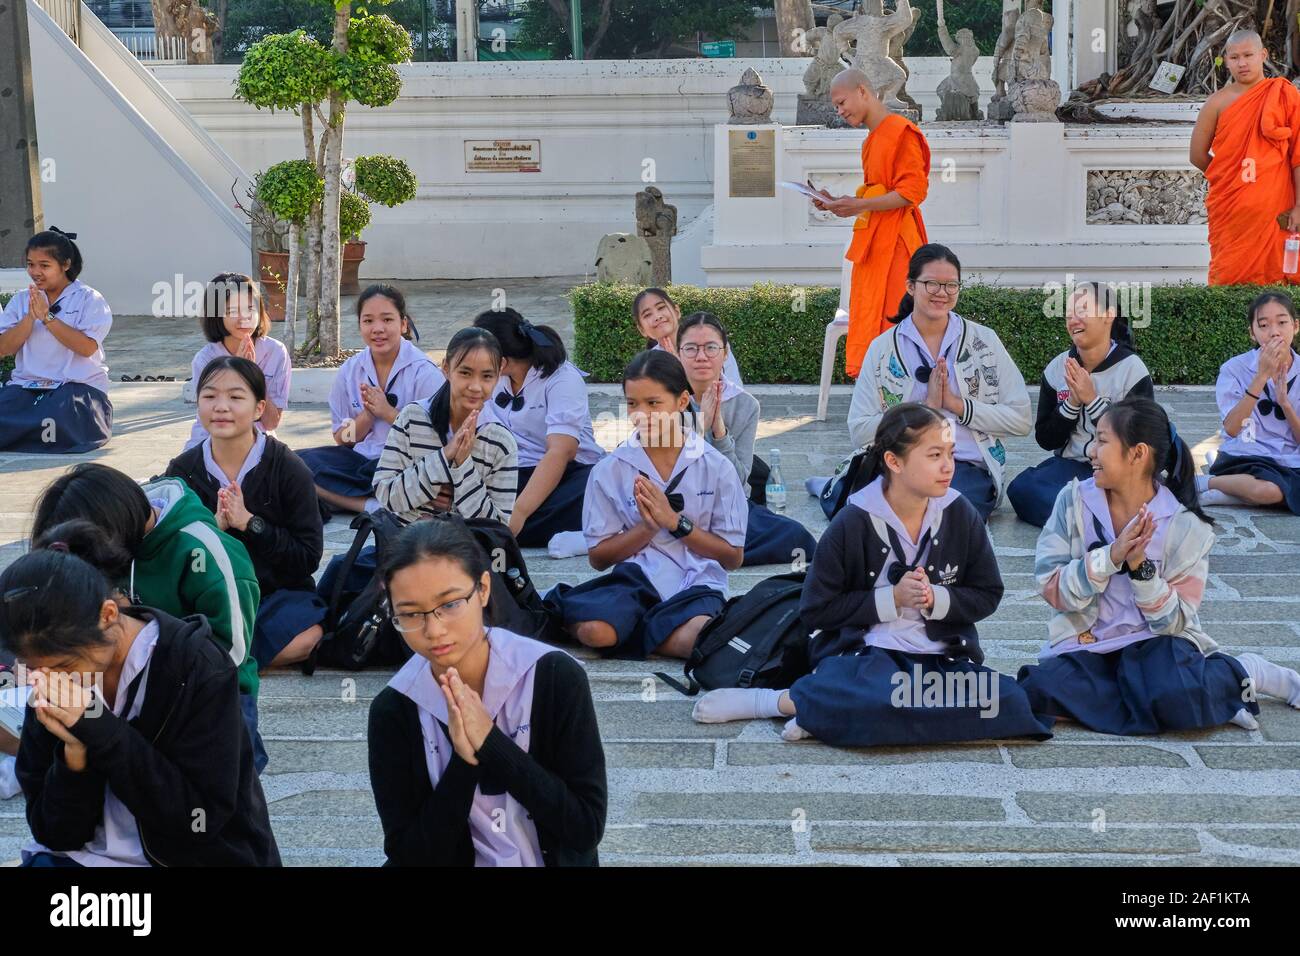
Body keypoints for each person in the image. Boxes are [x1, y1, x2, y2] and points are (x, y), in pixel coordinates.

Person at [693, 402, 1051, 745]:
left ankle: (823, 711)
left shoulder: (960, 513)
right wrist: (890, 600)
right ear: (894, 461)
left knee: (1007, 701)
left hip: (941, 659)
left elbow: (987, 593)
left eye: (950, 454)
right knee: (876, 694)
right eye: (934, 455)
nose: (948, 467)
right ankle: (774, 703)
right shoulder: (854, 520)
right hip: (867, 657)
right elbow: (816, 609)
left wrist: (936, 599)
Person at [1019, 397, 1300, 734]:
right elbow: (1052, 588)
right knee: (1036, 693)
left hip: (1157, 647)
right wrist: (1109, 558)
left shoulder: (1186, 527)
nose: (1091, 451)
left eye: (1102, 441)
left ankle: (1245, 673)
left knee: (1167, 691)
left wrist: (1141, 569)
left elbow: (1175, 621)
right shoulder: (1072, 500)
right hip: (1088, 647)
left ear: (1138, 454)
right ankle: (1208, 696)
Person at [2, 548, 280, 866]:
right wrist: (74, 758)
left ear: (107, 616)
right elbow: (55, 835)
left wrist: (100, 729)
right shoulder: (50, 679)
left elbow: (198, 820)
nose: (57, 681)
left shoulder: (195, 668)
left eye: (67, 664)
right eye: (38, 670)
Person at [367, 518, 606, 866]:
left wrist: (491, 743)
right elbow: (409, 854)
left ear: (482, 589)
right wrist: (464, 764)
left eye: (449, 604)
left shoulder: (553, 676)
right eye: (411, 614)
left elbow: (584, 827)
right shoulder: (395, 708)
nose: (433, 630)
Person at [30, 464, 266, 773]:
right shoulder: (110, 537)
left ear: (108, 535)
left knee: (205, 775)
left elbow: (229, 652)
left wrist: (141, 633)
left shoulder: (203, 551)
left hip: (213, 689)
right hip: (122, 679)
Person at [546, 351, 747, 660]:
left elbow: (732, 557)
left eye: (654, 404)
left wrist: (675, 523)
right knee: (596, 633)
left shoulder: (715, 466)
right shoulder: (611, 469)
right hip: (636, 580)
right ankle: (620, 624)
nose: (642, 415)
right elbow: (599, 559)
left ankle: (630, 630)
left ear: (681, 402)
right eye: (632, 404)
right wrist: (647, 528)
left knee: (699, 637)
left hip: (697, 582)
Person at [845, 243, 1031, 520]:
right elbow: (859, 430)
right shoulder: (883, 348)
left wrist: (957, 405)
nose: (941, 293)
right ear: (910, 286)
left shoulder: (984, 342)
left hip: (962, 466)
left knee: (942, 513)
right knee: (863, 511)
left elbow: (1021, 419)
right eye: (931, 284)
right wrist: (924, 409)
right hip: (900, 464)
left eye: (950, 285)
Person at [166, 357, 326, 668]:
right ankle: (227, 658)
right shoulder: (182, 472)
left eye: (236, 397)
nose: (221, 407)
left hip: (274, 595)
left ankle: (216, 663)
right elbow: (168, 555)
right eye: (209, 396)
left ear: (258, 409)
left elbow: (307, 556)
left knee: (309, 635)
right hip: (210, 596)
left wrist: (251, 523)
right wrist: (212, 529)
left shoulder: (288, 469)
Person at [1007, 282, 1153, 527]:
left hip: (1118, 470)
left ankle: (1085, 518)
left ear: (1109, 315)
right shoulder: (1057, 368)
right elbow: (1046, 439)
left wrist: (1092, 400)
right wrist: (1072, 403)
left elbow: (1138, 439)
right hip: (1070, 468)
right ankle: (1096, 519)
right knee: (1021, 490)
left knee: (1125, 494)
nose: (1073, 319)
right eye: (1069, 314)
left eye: (1083, 310)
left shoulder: (1131, 369)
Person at [677, 312, 817, 567]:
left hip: (727, 506)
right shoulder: (665, 399)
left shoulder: (745, 405)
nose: (701, 356)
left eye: (710, 347)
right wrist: (699, 429)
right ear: (678, 354)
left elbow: (739, 480)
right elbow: (668, 472)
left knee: (798, 538)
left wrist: (718, 428)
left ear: (725, 352)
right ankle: (706, 548)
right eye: (691, 348)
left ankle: (706, 549)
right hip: (679, 504)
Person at [816, 68, 929, 376]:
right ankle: (881, 396)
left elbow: (912, 192)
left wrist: (860, 204)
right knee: (877, 324)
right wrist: (836, 202)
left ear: (863, 91)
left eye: (842, 103)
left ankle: (907, 401)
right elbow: (878, 195)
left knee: (898, 324)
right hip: (877, 245)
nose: (840, 111)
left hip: (899, 247)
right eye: (836, 107)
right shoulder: (871, 141)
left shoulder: (900, 131)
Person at [298, 285, 445, 515]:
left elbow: (438, 439)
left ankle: (358, 498)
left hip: (404, 466)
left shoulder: (424, 373)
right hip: (362, 462)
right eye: (368, 321)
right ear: (359, 326)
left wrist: (388, 412)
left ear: (403, 324)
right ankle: (370, 506)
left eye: (387, 320)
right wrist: (367, 414)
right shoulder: (351, 369)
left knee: (427, 478)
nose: (378, 329)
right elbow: (343, 438)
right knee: (296, 466)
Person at [472, 308, 604, 547]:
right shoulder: (493, 377)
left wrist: (520, 512)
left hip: (568, 474)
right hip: (512, 472)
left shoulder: (562, 379)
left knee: (594, 491)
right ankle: (498, 526)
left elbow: (560, 452)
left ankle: (502, 527)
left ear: (501, 361)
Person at [372, 326, 519, 526]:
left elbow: (497, 528)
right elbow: (386, 495)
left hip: (467, 553)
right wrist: (444, 457)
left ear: (500, 371)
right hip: (406, 549)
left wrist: (463, 466)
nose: (475, 386)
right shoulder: (412, 418)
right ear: (446, 368)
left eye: (487, 376)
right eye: (465, 373)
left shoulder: (500, 442)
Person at [1191, 29, 1300, 285]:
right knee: (1229, 277)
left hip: (1277, 209)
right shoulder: (1216, 103)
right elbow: (1196, 154)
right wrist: (1229, 177)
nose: (1242, 63)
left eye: (1249, 55)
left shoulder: (1284, 95)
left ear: (1263, 55)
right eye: (1235, 57)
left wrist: (1299, 206)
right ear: (1226, 60)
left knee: (1280, 277)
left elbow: (1298, 156)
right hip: (1232, 210)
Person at [0, 228, 113, 453]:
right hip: (26, 386)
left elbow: (86, 347)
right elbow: (4, 349)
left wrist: (47, 317)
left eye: (44, 265)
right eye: (31, 264)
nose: (35, 272)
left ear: (66, 265)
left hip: (75, 387)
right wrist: (30, 318)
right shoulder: (23, 300)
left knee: (62, 418)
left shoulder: (89, 299)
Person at [1200, 291, 1300, 512]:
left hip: (1292, 457)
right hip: (1248, 453)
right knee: (1271, 491)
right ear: (1252, 333)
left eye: (1282, 322)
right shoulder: (1234, 369)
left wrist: (1286, 404)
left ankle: (1233, 493)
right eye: (1263, 325)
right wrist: (1261, 377)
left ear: (1295, 326)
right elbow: (1233, 428)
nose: (1274, 332)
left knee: (1277, 488)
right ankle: (1205, 482)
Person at [184, 273, 291, 450]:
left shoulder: (276, 352)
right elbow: (217, 420)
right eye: (232, 311)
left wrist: (252, 374)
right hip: (211, 443)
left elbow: (271, 422)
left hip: (258, 443)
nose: (244, 318)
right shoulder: (204, 360)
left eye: (250, 308)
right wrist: (236, 373)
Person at [632, 288, 743, 386]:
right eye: (647, 315)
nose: (657, 316)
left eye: (661, 308)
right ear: (642, 329)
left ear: (677, 312)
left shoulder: (713, 345)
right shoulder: (648, 364)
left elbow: (734, 395)